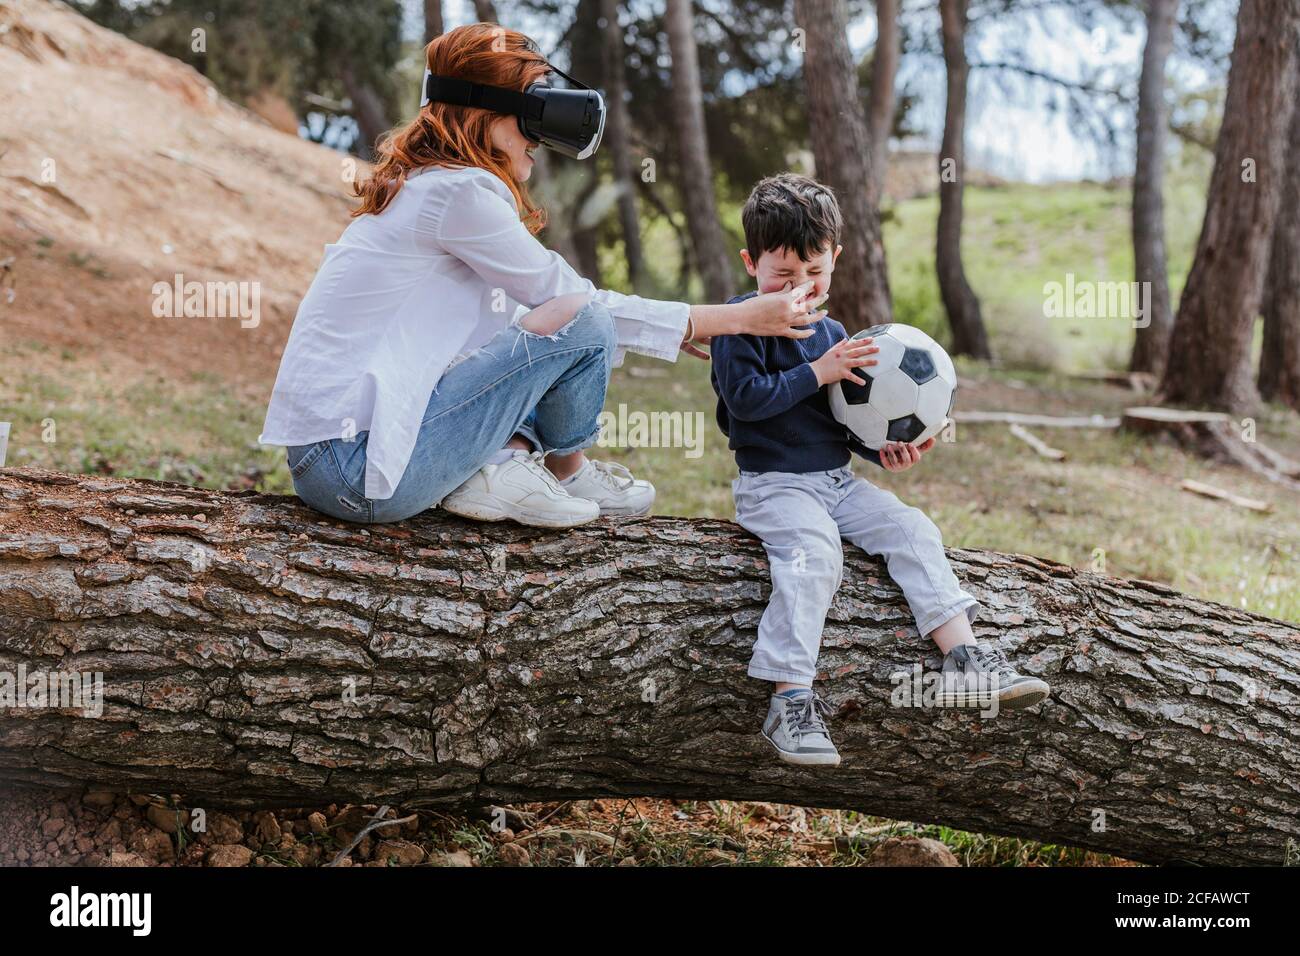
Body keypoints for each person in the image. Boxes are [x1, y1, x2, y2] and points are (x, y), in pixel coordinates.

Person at [259, 24, 825, 527]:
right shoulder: (457, 193)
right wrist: (727, 319)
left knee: (544, 324)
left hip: (332, 460)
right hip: (354, 467)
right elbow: (577, 306)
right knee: (580, 320)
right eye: (528, 111)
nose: (538, 132)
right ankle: (562, 469)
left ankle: (505, 464)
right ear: (484, 114)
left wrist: (681, 327)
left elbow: (525, 322)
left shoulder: (427, 185)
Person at [710, 173, 1051, 767]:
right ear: (750, 263)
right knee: (816, 556)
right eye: (783, 276)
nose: (800, 290)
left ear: (835, 259)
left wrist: (883, 452)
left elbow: (841, 424)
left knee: (912, 527)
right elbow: (745, 402)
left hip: (836, 483)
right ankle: (789, 699)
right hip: (773, 487)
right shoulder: (738, 322)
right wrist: (819, 370)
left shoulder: (838, 335)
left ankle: (965, 657)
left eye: (814, 274)